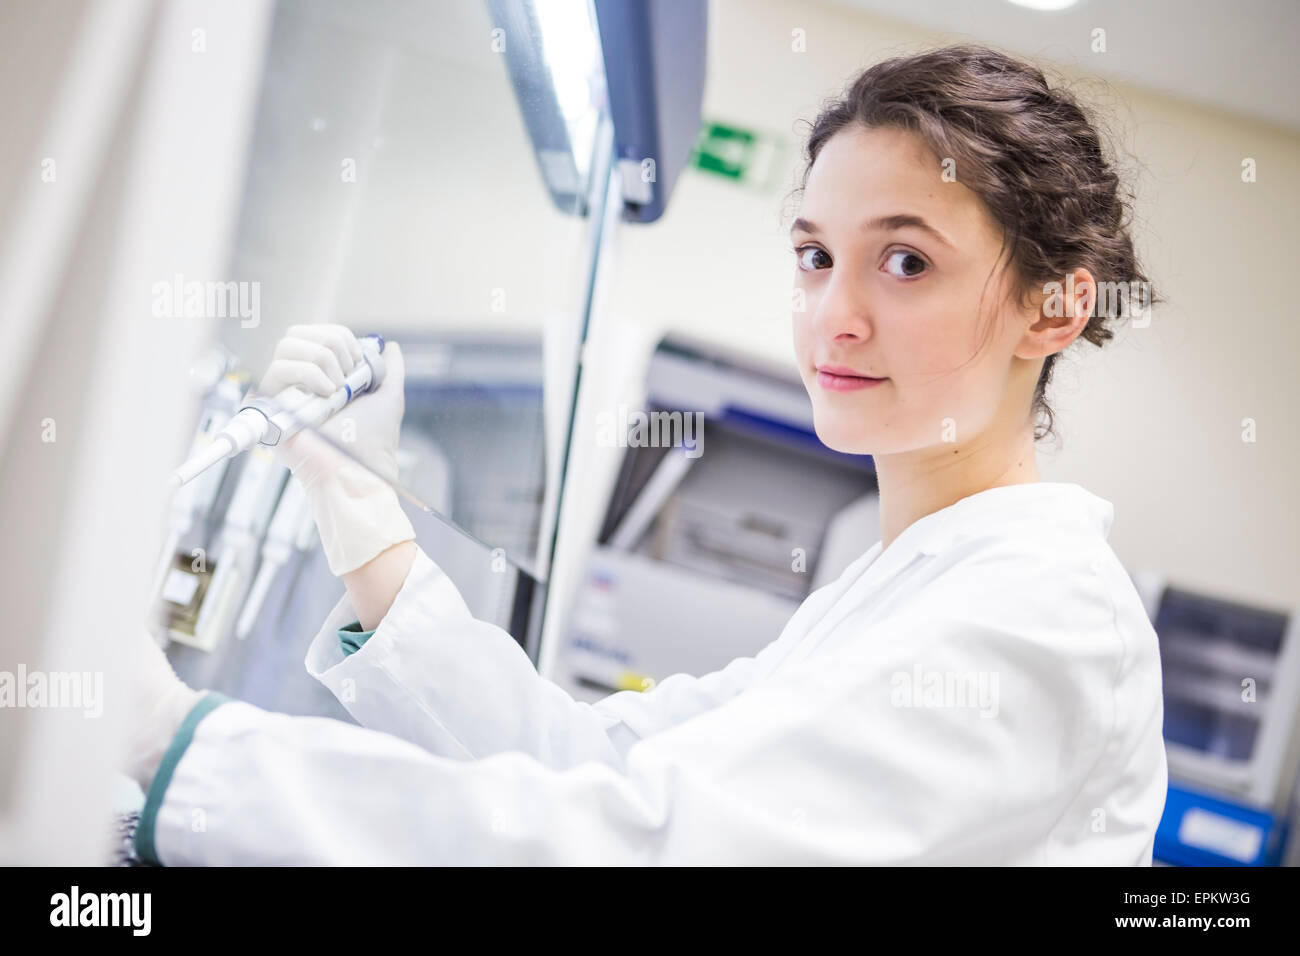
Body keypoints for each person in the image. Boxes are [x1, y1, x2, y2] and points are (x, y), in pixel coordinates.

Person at [124, 45, 1167, 865]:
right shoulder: (901, 584)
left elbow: (645, 841)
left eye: (904, 260)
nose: (832, 317)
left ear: (1056, 305)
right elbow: (600, 761)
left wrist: (186, 748)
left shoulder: (1041, 616)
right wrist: (367, 518)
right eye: (813, 255)